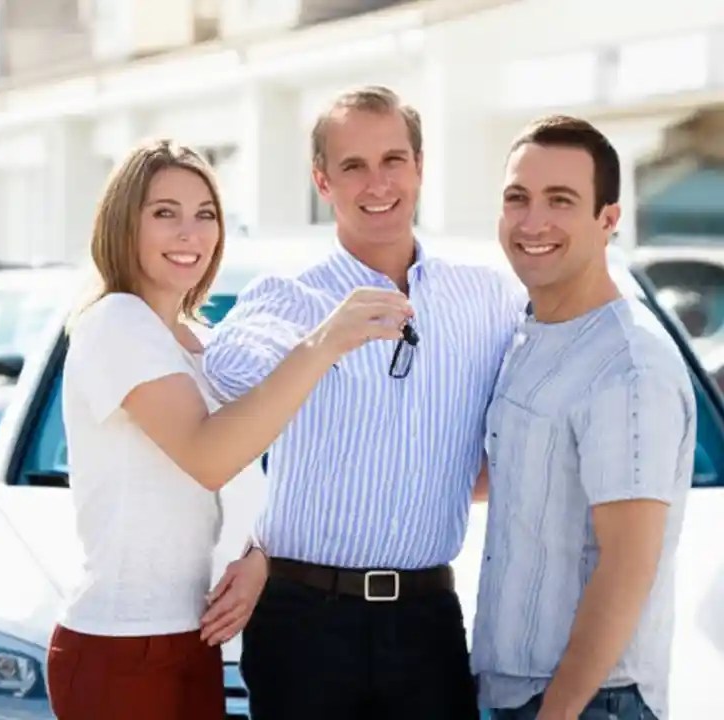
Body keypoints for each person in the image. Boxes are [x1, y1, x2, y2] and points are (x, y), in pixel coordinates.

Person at [46, 138, 415, 720]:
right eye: (165, 213)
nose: (190, 233)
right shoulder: (117, 321)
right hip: (121, 644)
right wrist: (322, 343)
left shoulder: (200, 340)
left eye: (205, 214)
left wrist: (260, 555)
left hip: (193, 639)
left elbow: (251, 478)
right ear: (123, 223)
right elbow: (209, 457)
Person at [197, 86, 524, 719]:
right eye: (353, 166)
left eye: (393, 160)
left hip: (428, 621)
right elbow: (225, 375)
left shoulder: (486, 298)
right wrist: (325, 340)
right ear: (323, 181)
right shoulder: (290, 298)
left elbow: (529, 420)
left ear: (420, 167)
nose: (378, 183)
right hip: (303, 624)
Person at [472, 115, 694, 720]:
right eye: (517, 198)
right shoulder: (529, 335)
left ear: (608, 219)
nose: (532, 221)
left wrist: (559, 711)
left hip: (590, 701)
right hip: (515, 691)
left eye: (560, 200)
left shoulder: (628, 367)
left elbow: (628, 564)